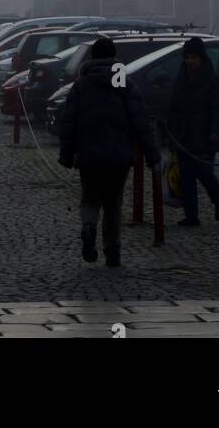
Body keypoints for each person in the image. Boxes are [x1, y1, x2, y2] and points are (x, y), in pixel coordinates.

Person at [58, 36, 160, 267]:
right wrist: (152, 155)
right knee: (113, 204)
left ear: (92, 57)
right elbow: (140, 121)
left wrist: (66, 154)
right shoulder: (124, 82)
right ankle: (112, 251)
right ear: (114, 57)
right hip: (118, 156)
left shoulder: (81, 84)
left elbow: (69, 121)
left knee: (90, 199)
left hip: (89, 155)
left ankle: (88, 227)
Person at [166, 36, 219, 227]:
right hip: (183, 135)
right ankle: (192, 216)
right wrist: (171, 132)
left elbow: (218, 110)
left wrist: (214, 132)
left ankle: (218, 200)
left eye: (193, 57)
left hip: (204, 135)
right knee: (187, 178)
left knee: (206, 174)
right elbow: (174, 108)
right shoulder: (180, 78)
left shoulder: (212, 80)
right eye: (187, 57)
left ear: (201, 58)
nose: (190, 61)